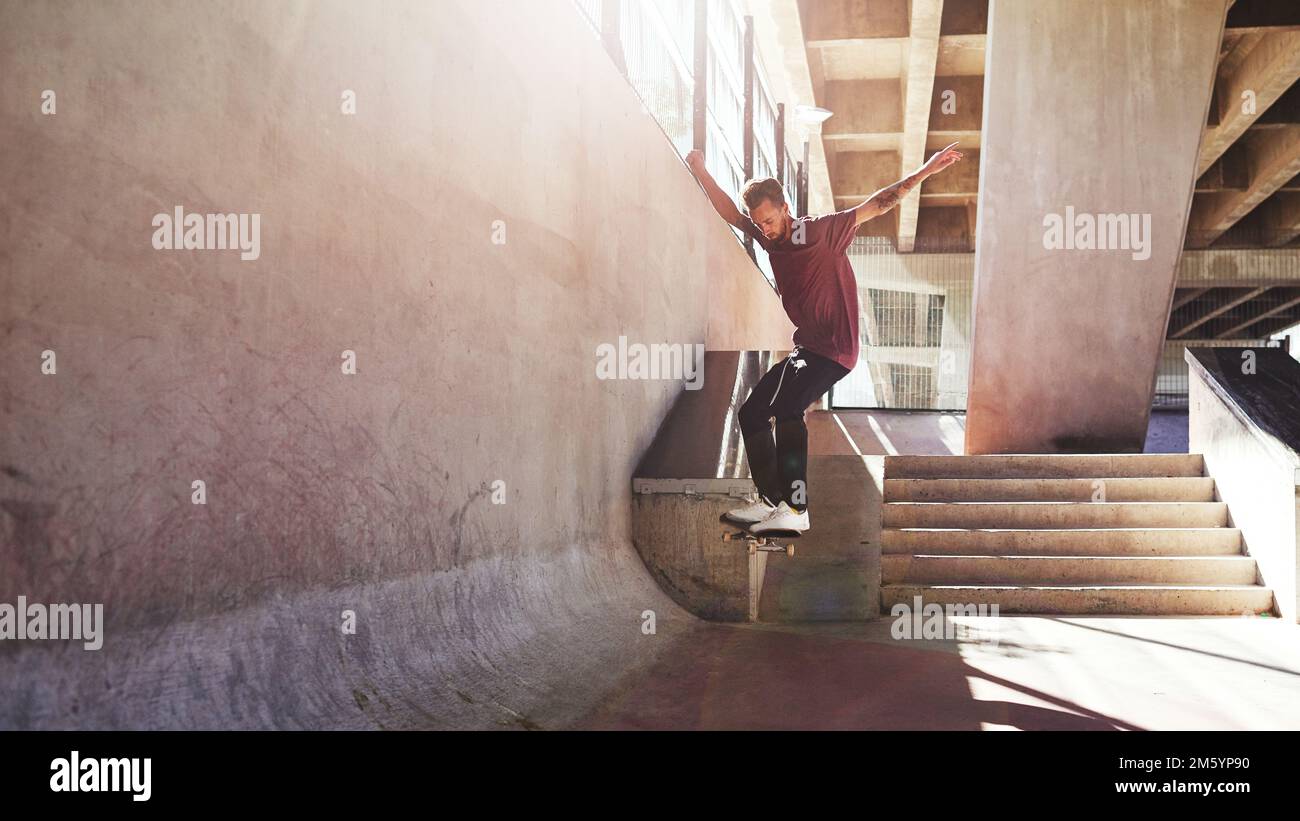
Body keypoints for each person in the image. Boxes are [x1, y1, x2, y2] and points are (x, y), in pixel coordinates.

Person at [685, 142, 963, 534]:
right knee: (751, 413)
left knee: (788, 408)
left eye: (770, 219)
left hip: (835, 350)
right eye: (759, 223)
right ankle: (771, 502)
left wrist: (925, 172)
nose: (765, 229)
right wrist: (701, 171)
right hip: (807, 350)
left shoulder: (820, 231)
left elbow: (880, 203)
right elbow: (732, 214)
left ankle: (796, 508)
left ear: (785, 208)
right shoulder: (769, 238)